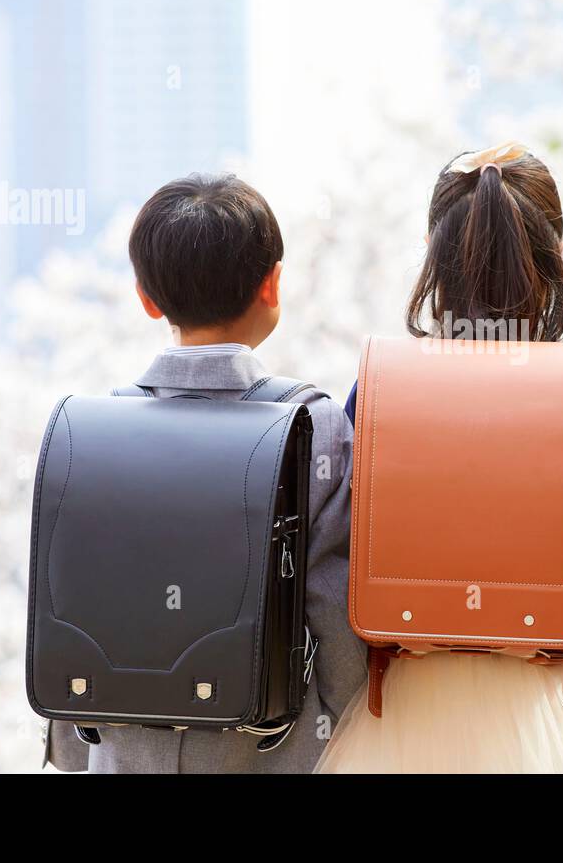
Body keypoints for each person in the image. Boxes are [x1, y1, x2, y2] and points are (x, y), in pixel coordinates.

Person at [316, 143, 563, 772]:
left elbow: (336, 578)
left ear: (434, 259)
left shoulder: (380, 393)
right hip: (553, 717)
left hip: (406, 718)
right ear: (553, 259)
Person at [43, 173, 365, 773]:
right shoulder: (311, 425)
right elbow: (334, 613)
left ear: (145, 296)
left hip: (123, 756)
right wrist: (349, 729)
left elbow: (68, 599)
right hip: (267, 754)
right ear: (272, 284)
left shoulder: (95, 429)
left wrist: (75, 749)